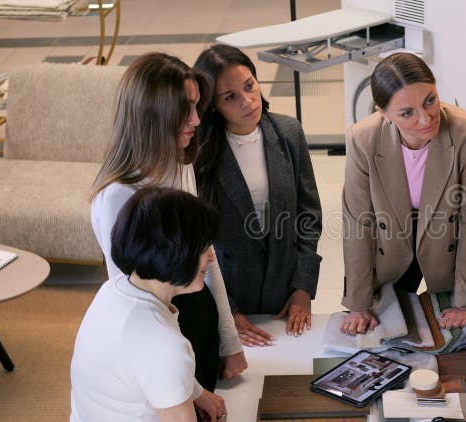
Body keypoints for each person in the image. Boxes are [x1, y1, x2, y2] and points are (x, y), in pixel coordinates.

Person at [90, 52, 246, 393]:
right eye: (185, 110)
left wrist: (228, 341)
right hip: (162, 332)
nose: (197, 120)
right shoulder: (116, 198)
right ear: (153, 116)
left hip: (199, 314)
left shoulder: (181, 163)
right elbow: (129, 306)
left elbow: (209, 256)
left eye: (196, 107)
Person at [341, 52, 466, 335]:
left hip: (448, 246)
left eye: (430, 100)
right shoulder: (363, 139)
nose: (426, 119)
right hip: (390, 248)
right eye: (407, 113)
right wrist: (358, 304)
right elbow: (358, 223)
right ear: (382, 113)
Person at [193, 44, 322, 345]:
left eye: (249, 85)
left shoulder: (288, 132)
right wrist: (226, 312)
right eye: (230, 97)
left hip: (285, 289)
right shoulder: (199, 154)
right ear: (213, 105)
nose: (248, 101)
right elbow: (198, 241)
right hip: (230, 293)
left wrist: (303, 287)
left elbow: (309, 216)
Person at [72, 187, 228, 422]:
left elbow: (149, 366)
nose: (211, 257)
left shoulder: (113, 290)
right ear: (175, 252)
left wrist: (199, 393)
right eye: (203, 248)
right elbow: (161, 357)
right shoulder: (163, 342)